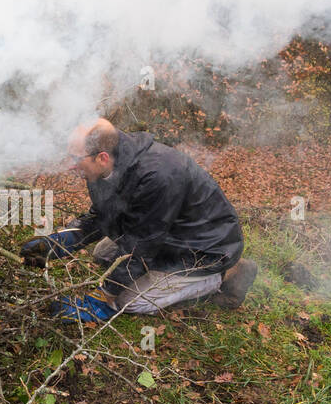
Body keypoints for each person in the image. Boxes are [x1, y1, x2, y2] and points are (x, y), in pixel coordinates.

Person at [20, 118, 257, 320]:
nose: (71, 166)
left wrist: (105, 296)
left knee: (129, 302)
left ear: (101, 157)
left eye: (76, 158)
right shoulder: (109, 163)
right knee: (103, 254)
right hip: (164, 233)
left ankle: (222, 275)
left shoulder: (157, 176)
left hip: (205, 247)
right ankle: (163, 274)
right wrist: (58, 243)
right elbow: (102, 215)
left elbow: (141, 246)